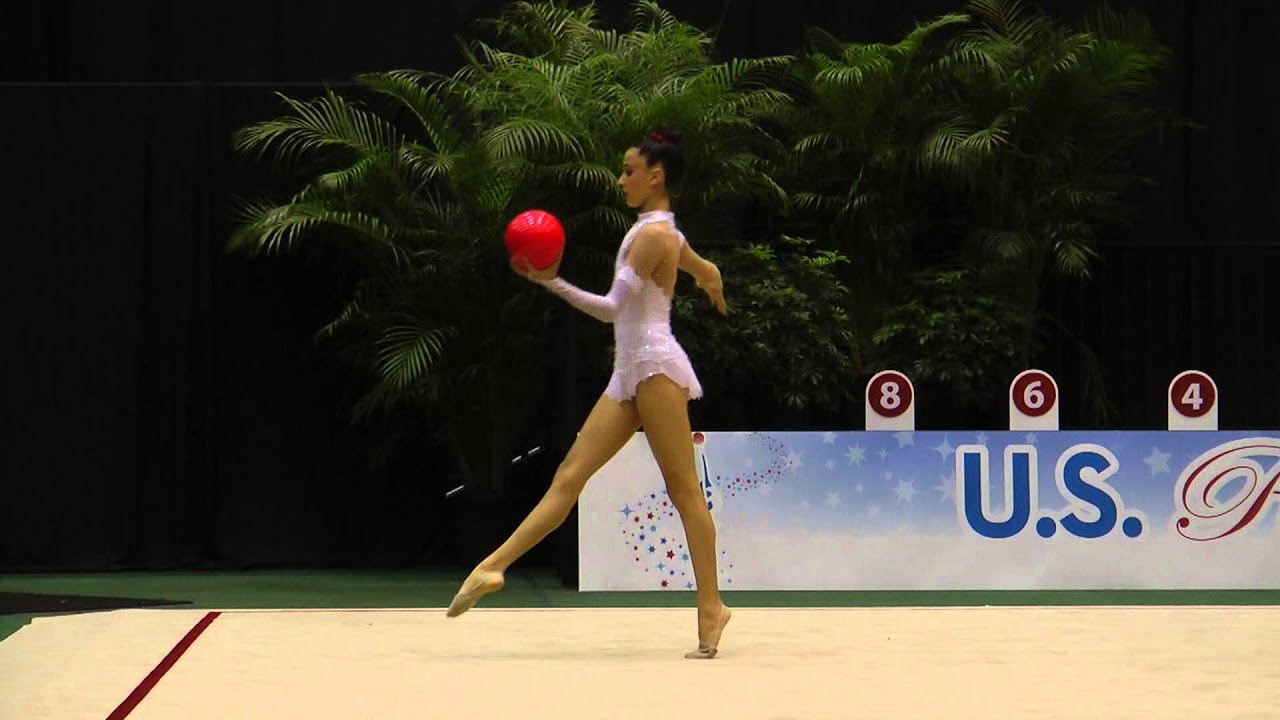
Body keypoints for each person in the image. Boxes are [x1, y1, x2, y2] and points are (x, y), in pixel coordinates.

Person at [446, 128, 733, 659]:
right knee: (570, 476)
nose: (621, 180)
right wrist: (709, 276)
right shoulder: (660, 231)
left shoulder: (650, 236)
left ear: (657, 176)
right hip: (629, 374)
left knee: (685, 494)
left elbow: (609, 309)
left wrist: (548, 281)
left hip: (653, 369)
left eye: (629, 171)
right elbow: (693, 258)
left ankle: (711, 607)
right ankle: (493, 566)